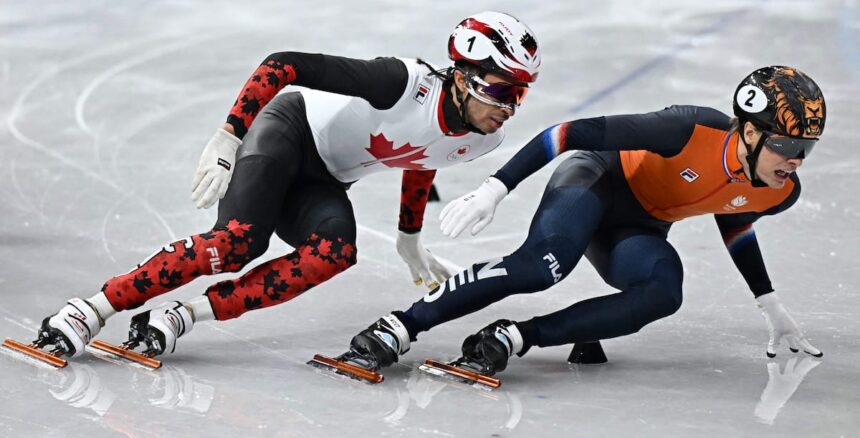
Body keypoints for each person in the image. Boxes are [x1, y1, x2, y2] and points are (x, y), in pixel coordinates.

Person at [22, 11, 542, 361]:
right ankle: (88, 310)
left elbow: (427, 155)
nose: (507, 108)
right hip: (288, 132)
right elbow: (283, 65)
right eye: (498, 90)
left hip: (324, 177)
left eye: (517, 96)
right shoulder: (400, 82)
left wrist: (409, 238)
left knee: (336, 252)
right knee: (236, 244)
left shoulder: (480, 142)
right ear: (459, 75)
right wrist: (230, 134)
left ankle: (182, 314)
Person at [344, 66, 826, 376]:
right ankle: (398, 327)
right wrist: (496, 187)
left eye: (806, 149)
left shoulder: (781, 188)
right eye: (787, 146)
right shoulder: (687, 128)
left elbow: (736, 213)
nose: (796, 160)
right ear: (747, 132)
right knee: (542, 265)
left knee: (664, 291)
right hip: (596, 179)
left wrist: (769, 304)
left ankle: (514, 336)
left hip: (637, 227)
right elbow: (567, 133)